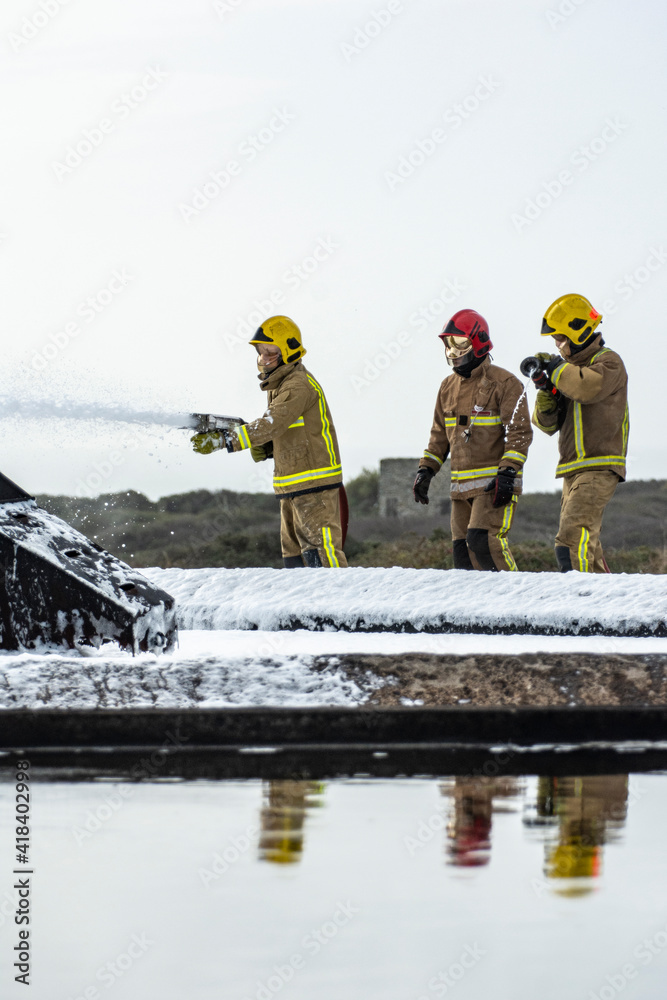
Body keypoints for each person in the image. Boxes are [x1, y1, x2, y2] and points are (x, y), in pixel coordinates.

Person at [191, 315, 347, 568]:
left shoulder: (297, 386)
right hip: (293, 483)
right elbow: (287, 429)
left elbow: (272, 423)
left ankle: (339, 605)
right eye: (261, 353)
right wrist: (267, 446)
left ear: (289, 352)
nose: (264, 359)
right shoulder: (280, 384)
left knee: (323, 556)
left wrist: (224, 440)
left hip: (312, 484)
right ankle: (301, 606)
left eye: (271, 352)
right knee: (294, 558)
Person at [413, 308, 532, 571]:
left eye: (460, 343)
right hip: (460, 486)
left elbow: (520, 432)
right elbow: (438, 436)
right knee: (462, 556)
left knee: (483, 542)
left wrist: (508, 473)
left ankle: (515, 599)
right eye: (449, 344)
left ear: (478, 342)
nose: (453, 351)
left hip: (494, 483)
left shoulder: (506, 383)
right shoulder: (447, 386)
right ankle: (476, 610)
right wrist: (426, 470)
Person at [529, 293, 629, 573]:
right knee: (589, 545)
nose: (558, 346)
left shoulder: (609, 363)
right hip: (573, 469)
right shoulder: (569, 373)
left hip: (599, 466)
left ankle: (582, 605)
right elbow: (547, 425)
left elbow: (587, 388)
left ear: (579, 330)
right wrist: (546, 391)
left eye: (560, 339)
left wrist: (557, 370)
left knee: (571, 540)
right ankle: (608, 605)